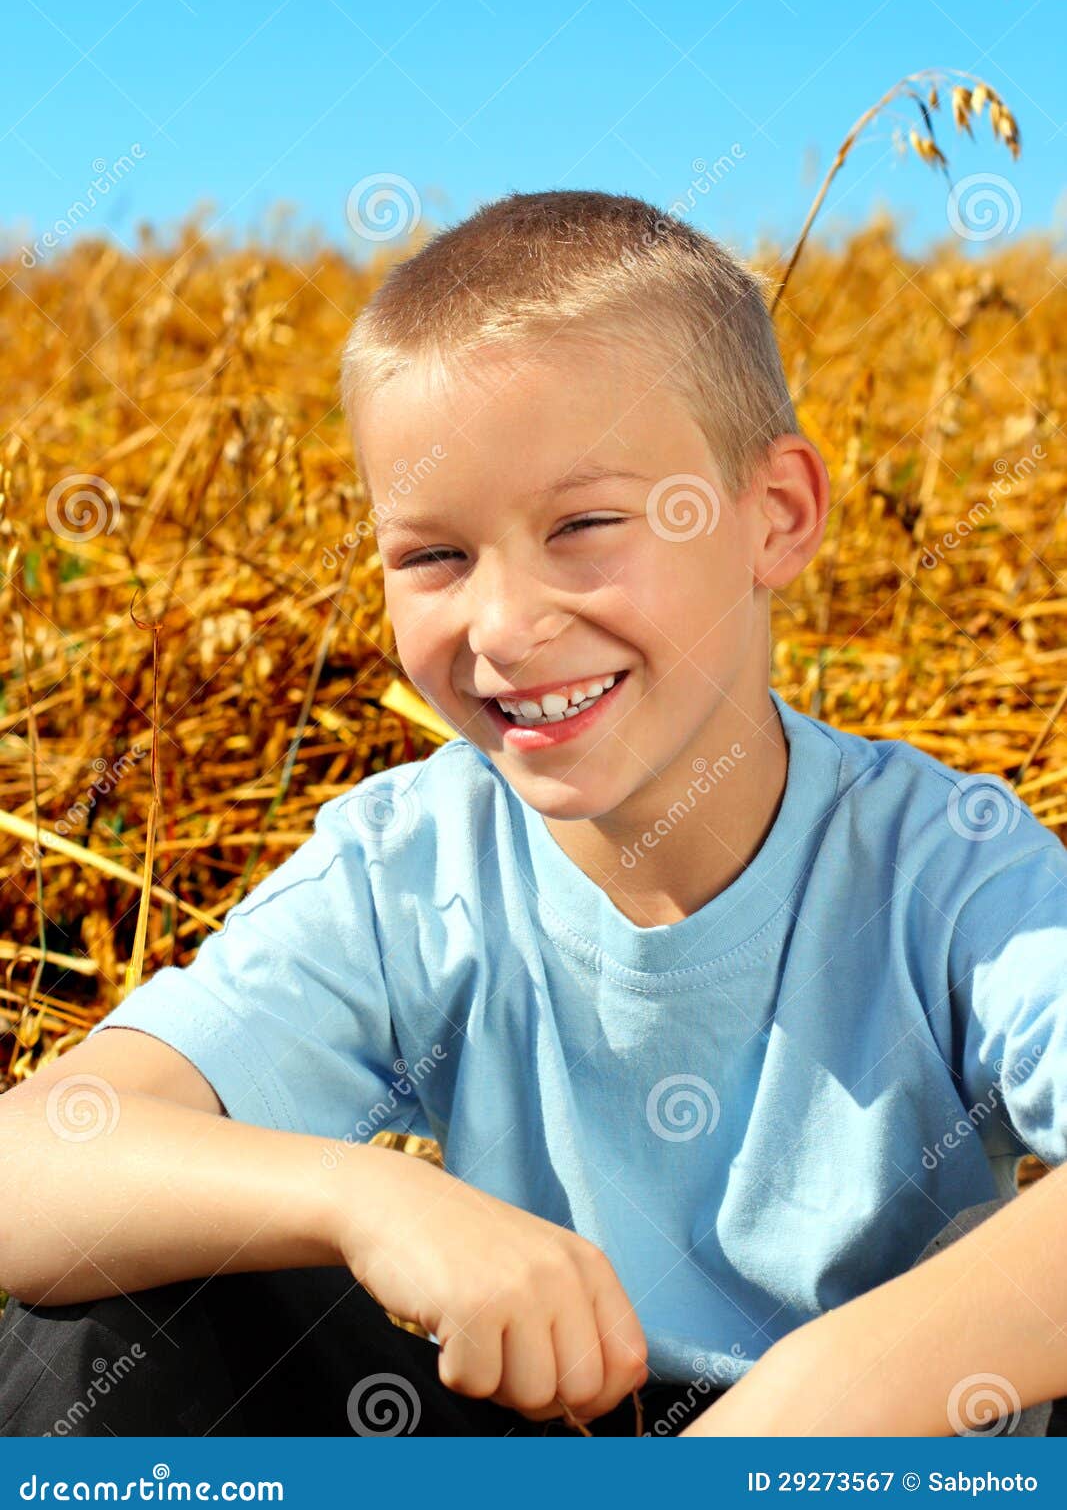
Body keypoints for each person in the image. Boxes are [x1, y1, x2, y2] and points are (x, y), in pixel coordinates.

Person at [2, 189, 1065, 1437]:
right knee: (96, 1321)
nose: (502, 628)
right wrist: (370, 1199)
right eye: (433, 556)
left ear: (774, 515)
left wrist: (804, 1408)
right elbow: (34, 1163)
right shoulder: (412, 866)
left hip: (874, 1471)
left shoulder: (948, 869)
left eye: (585, 526)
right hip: (543, 1462)